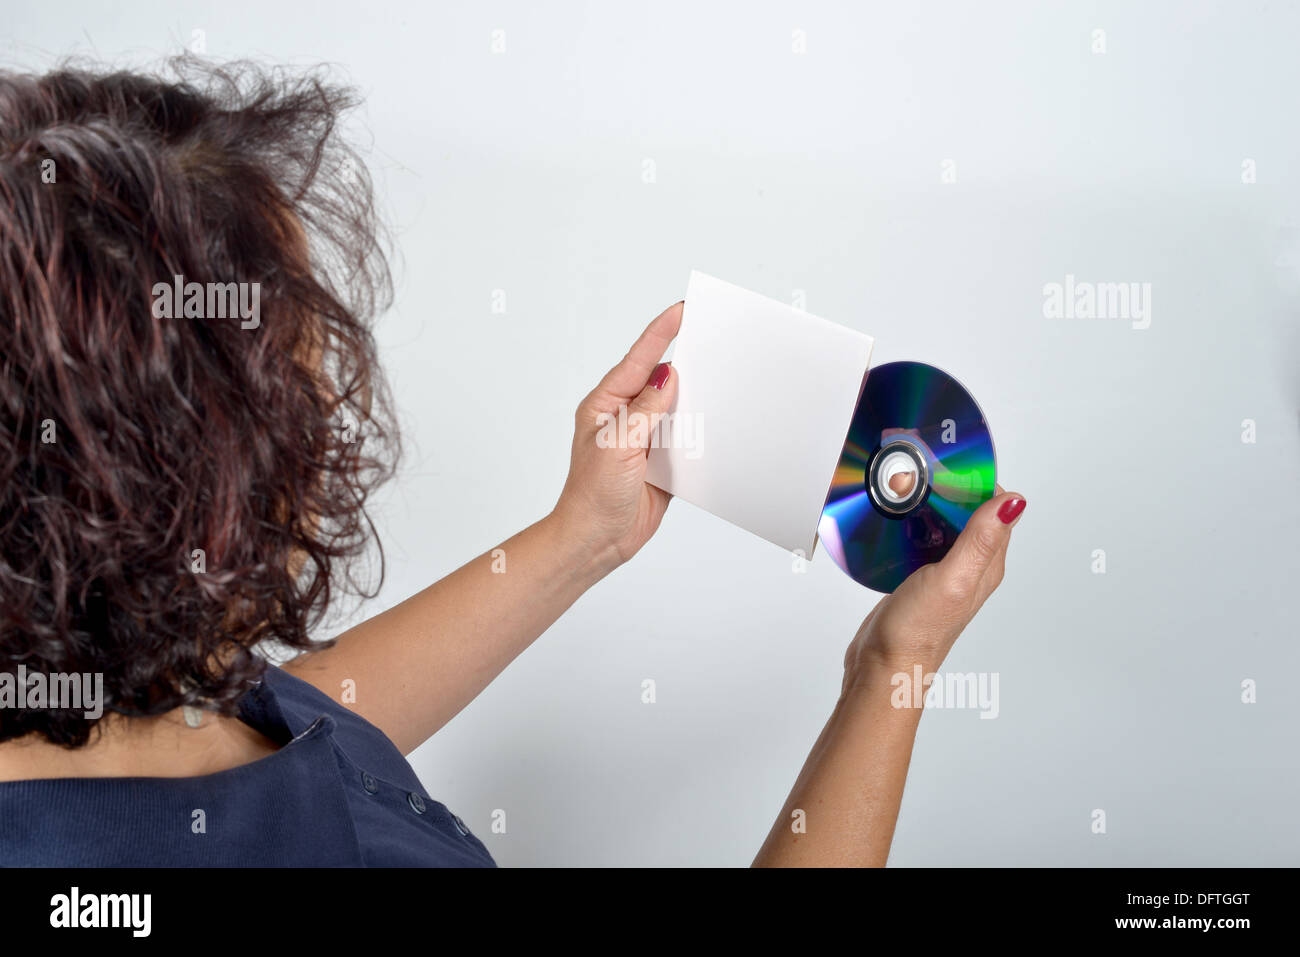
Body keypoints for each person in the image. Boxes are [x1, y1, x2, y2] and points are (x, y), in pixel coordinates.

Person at [0, 60, 1025, 867]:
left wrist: (581, 538)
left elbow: (277, 734)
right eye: (302, 373)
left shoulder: (119, 713)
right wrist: (891, 670)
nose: (324, 403)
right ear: (212, 478)